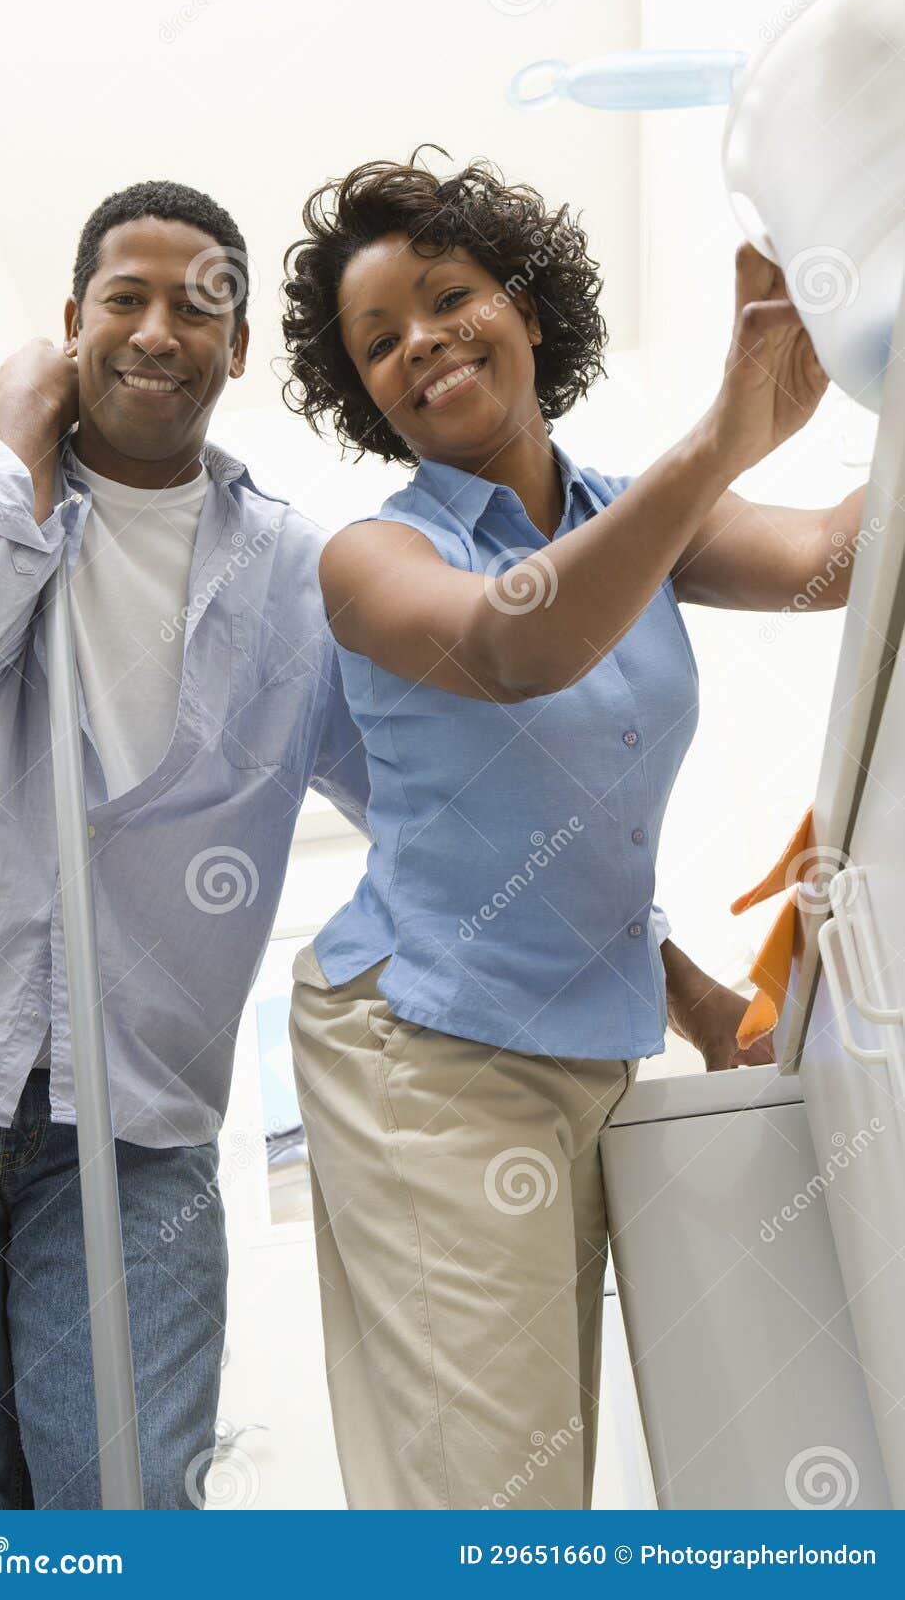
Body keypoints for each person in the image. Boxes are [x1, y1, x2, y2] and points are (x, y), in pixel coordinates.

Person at [282, 152, 863, 1510]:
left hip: (584, 1055)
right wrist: (719, 432)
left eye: (446, 295)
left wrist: (701, 1000)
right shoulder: (377, 559)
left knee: (548, 1481)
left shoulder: (627, 518)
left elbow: (837, 554)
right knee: (492, 1505)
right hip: (422, 1054)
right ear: (368, 394)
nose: (419, 340)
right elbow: (513, 646)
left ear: (526, 310)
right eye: (378, 340)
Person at [0, 180, 373, 1510]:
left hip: (135, 1126)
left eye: (198, 304)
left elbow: (424, 802)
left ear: (238, 344)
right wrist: (16, 429)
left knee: (127, 1505)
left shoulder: (302, 580)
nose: (157, 329)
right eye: (122, 300)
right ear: (71, 323)